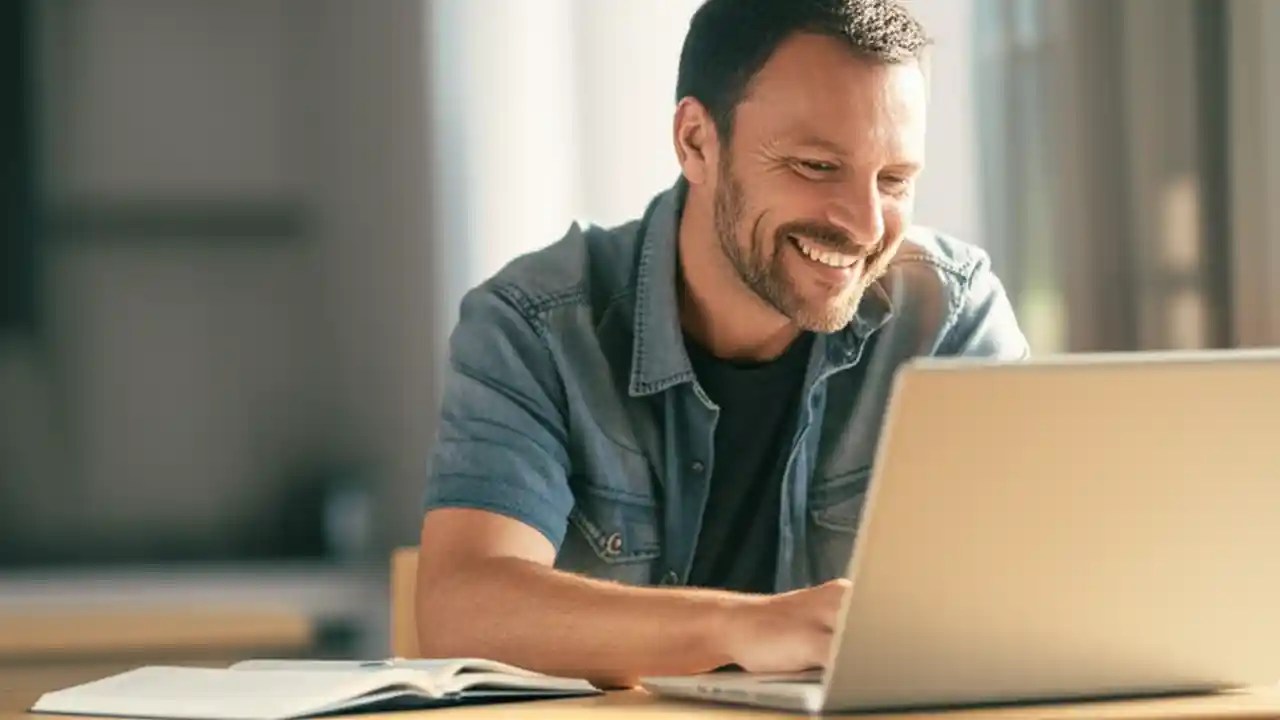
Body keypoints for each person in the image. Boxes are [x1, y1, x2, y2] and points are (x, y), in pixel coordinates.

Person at [414, 0, 1028, 688]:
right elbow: (460, 608)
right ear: (696, 142)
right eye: (817, 167)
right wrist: (745, 627)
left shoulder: (949, 315)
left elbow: (1032, 586)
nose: (862, 225)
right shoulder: (536, 323)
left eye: (893, 181)